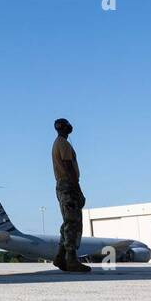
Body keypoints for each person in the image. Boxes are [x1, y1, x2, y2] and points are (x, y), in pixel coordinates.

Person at [51, 117, 90, 273]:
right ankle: (71, 259)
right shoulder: (63, 144)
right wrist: (77, 188)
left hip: (63, 185)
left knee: (68, 221)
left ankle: (61, 256)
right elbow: (68, 166)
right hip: (68, 185)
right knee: (72, 222)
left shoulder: (58, 143)